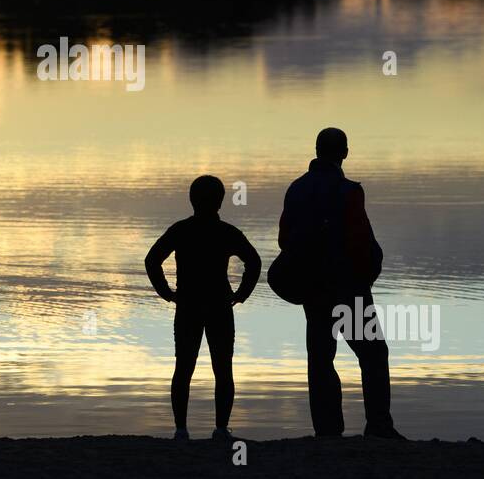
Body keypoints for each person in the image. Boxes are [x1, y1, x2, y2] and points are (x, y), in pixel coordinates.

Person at [279, 128, 405, 439]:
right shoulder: (348, 190)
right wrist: (367, 274)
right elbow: (360, 241)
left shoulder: (296, 189)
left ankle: (327, 430)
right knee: (373, 354)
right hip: (348, 287)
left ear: (316, 150)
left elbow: (284, 240)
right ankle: (378, 425)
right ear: (345, 152)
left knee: (321, 357)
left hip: (312, 287)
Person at [145, 175, 261, 440]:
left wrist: (167, 293)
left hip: (188, 304)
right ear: (220, 201)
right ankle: (220, 429)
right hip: (219, 304)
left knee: (184, 367)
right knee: (222, 368)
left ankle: (181, 430)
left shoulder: (181, 230)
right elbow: (253, 262)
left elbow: (152, 260)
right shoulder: (227, 232)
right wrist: (241, 294)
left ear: (191, 199)